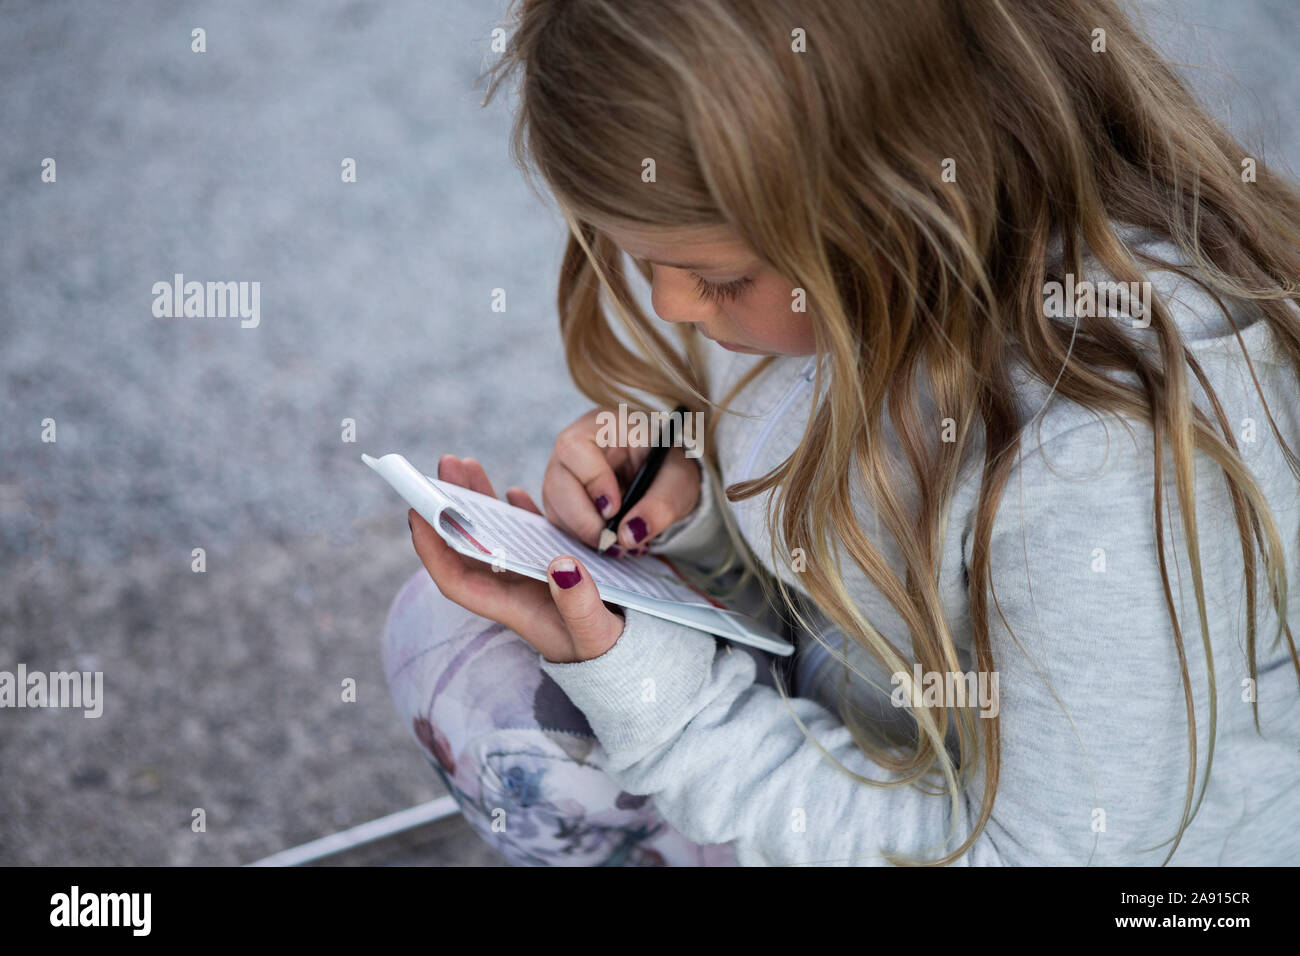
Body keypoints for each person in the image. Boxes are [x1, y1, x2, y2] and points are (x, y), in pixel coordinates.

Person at [383, 0, 1300, 865]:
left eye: (719, 278)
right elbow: (842, 607)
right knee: (462, 640)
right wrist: (691, 518)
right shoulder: (856, 282)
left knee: (538, 723)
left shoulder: (1098, 453)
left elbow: (1050, 856)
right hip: (886, 731)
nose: (668, 304)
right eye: (646, 263)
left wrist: (675, 716)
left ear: (892, 196)